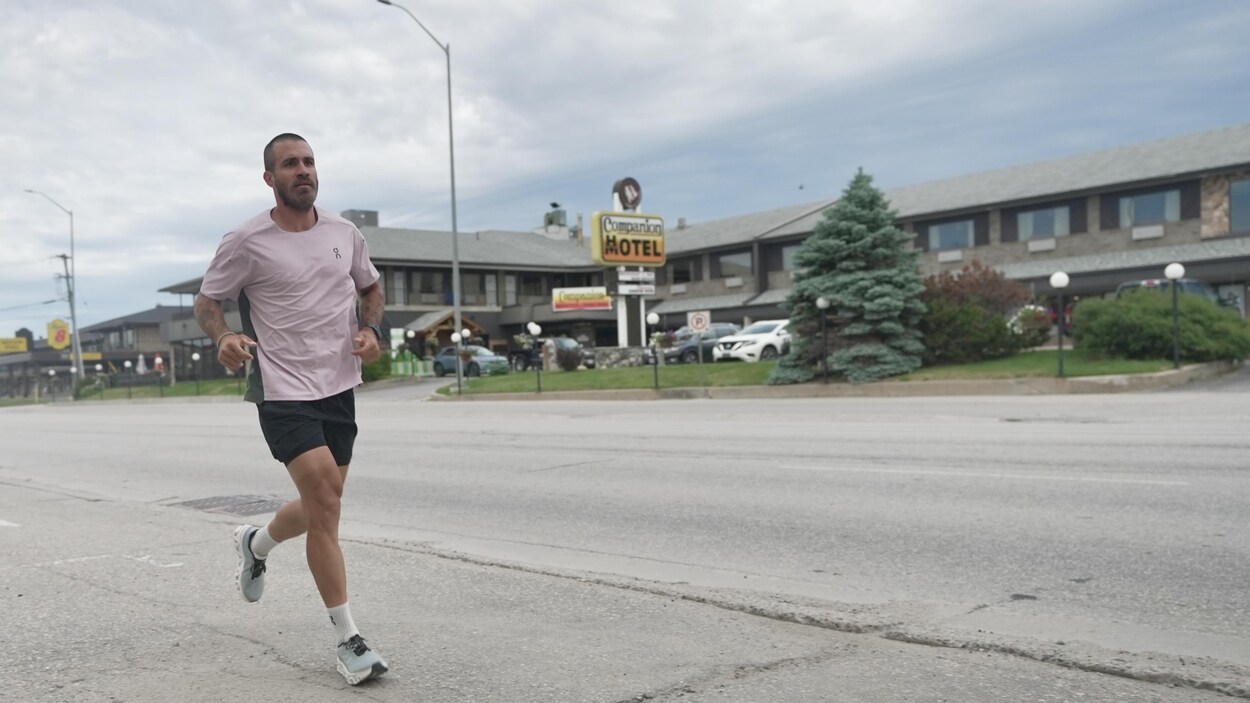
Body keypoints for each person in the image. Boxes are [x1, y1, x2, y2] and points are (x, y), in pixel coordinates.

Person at [193, 133, 388, 685]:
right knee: (326, 502)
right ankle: (349, 640)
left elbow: (371, 289)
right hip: (281, 388)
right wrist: (224, 336)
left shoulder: (343, 234)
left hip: (338, 386)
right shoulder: (246, 240)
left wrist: (370, 329)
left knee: (320, 503)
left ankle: (255, 543)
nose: (302, 170)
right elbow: (208, 303)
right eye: (289, 164)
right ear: (269, 179)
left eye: (307, 162)